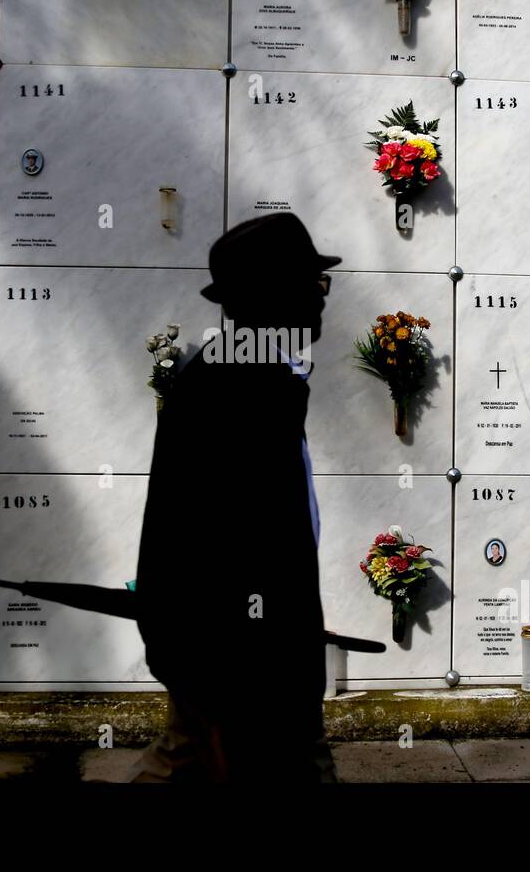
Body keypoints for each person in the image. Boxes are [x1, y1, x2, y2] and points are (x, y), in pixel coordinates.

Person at [132, 212, 340, 783]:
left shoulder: (254, 375)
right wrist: (223, 691)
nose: (323, 296)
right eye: (313, 282)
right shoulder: (236, 388)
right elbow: (216, 545)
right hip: (241, 668)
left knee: (178, 758)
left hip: (247, 658)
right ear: (275, 293)